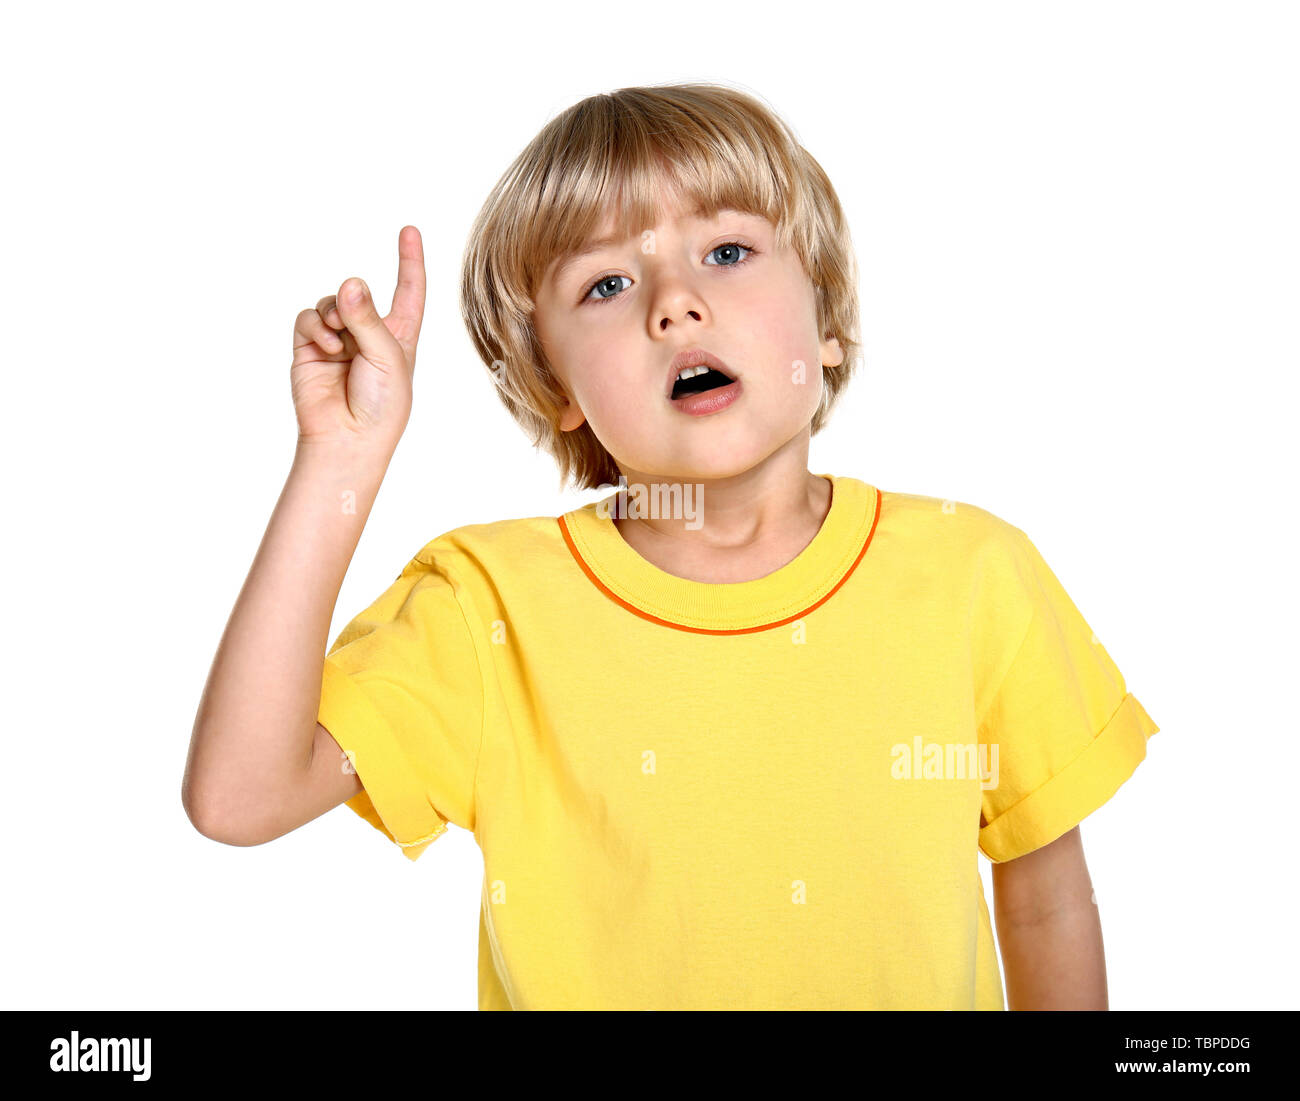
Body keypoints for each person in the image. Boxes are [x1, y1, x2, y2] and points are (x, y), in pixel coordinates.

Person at [182, 83, 1160, 1011]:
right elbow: (238, 798)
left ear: (824, 321)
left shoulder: (973, 573)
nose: (674, 303)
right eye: (605, 283)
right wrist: (338, 460)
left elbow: (1043, 898)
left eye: (727, 253)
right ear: (558, 391)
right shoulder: (487, 606)